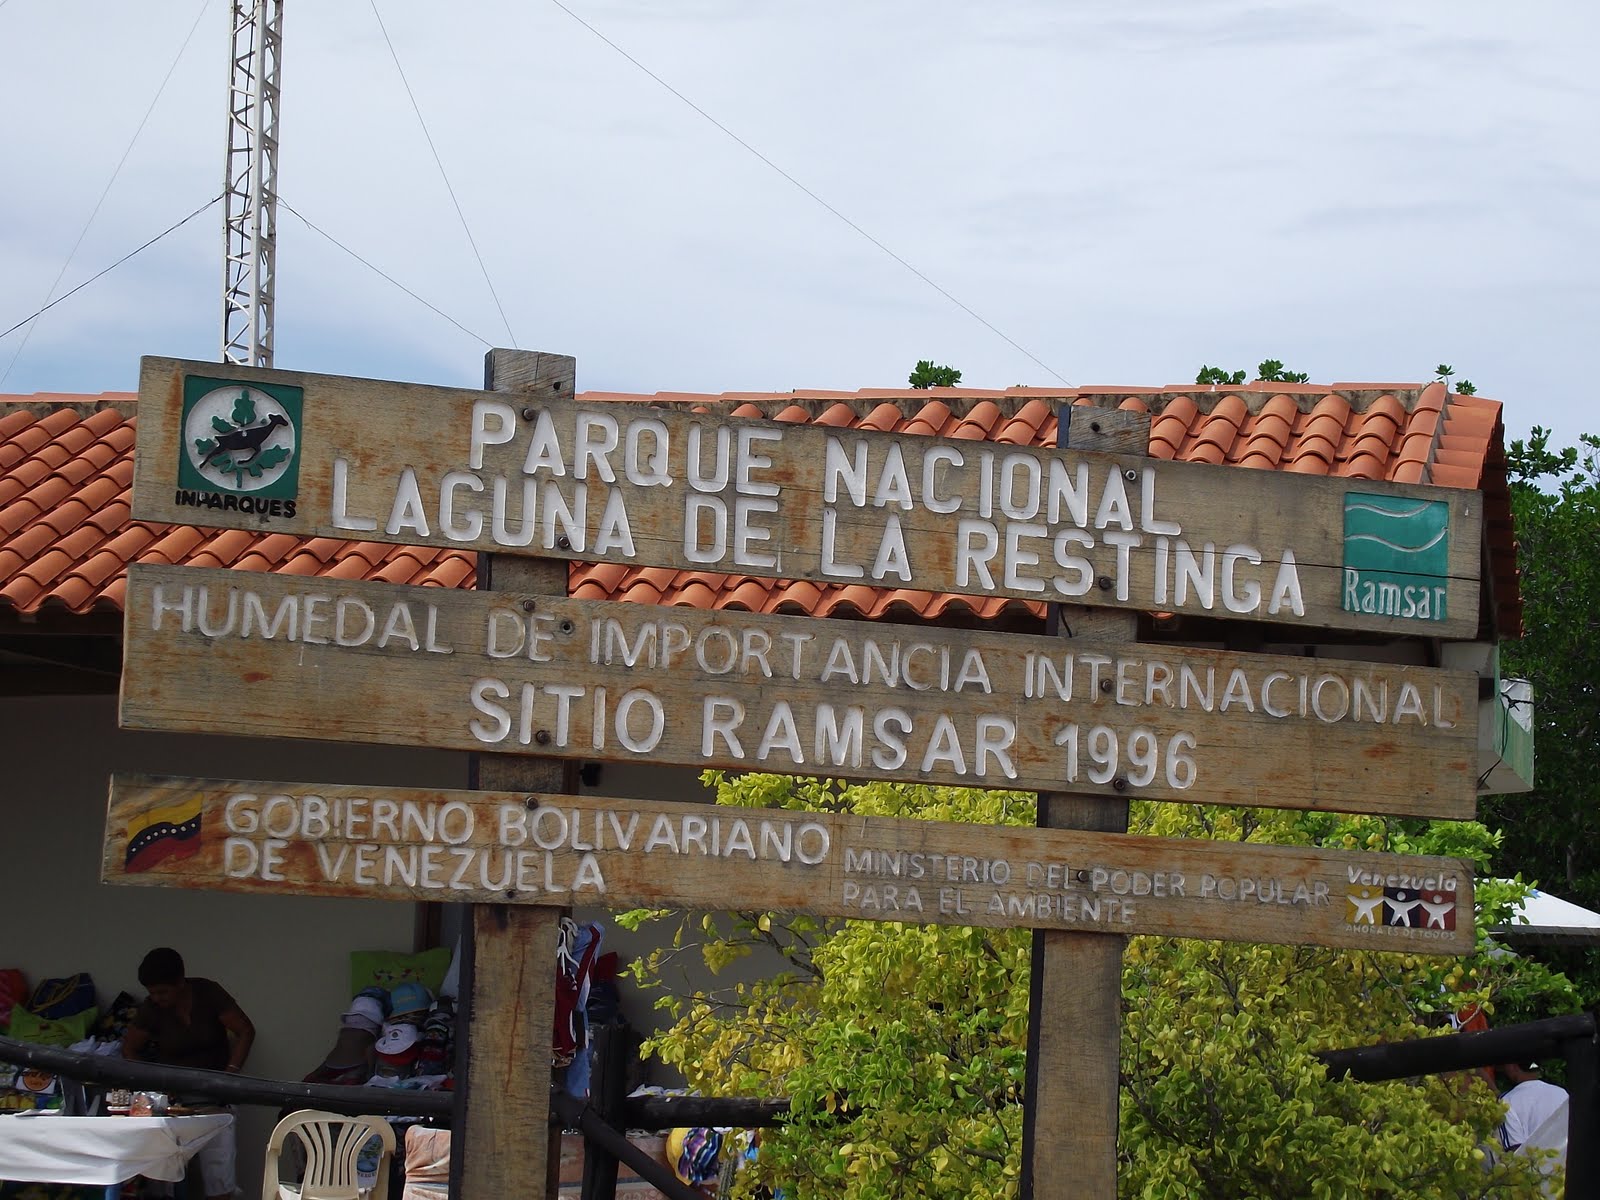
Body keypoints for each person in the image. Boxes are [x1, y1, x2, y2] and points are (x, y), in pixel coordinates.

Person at [121, 947, 256, 1200]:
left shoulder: (208, 993)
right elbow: (129, 1049)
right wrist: (156, 1084)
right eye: (152, 993)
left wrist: (230, 1075)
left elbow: (245, 1031)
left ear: (181, 982)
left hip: (216, 1098)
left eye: (163, 992)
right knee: (165, 1175)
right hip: (173, 1103)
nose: (158, 998)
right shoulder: (152, 1009)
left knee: (219, 1174)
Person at [1497, 1059, 1568, 1193]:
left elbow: (1515, 1151)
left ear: (1512, 1066)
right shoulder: (1562, 1093)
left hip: (1535, 1187)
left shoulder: (1506, 1101)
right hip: (1566, 1180)